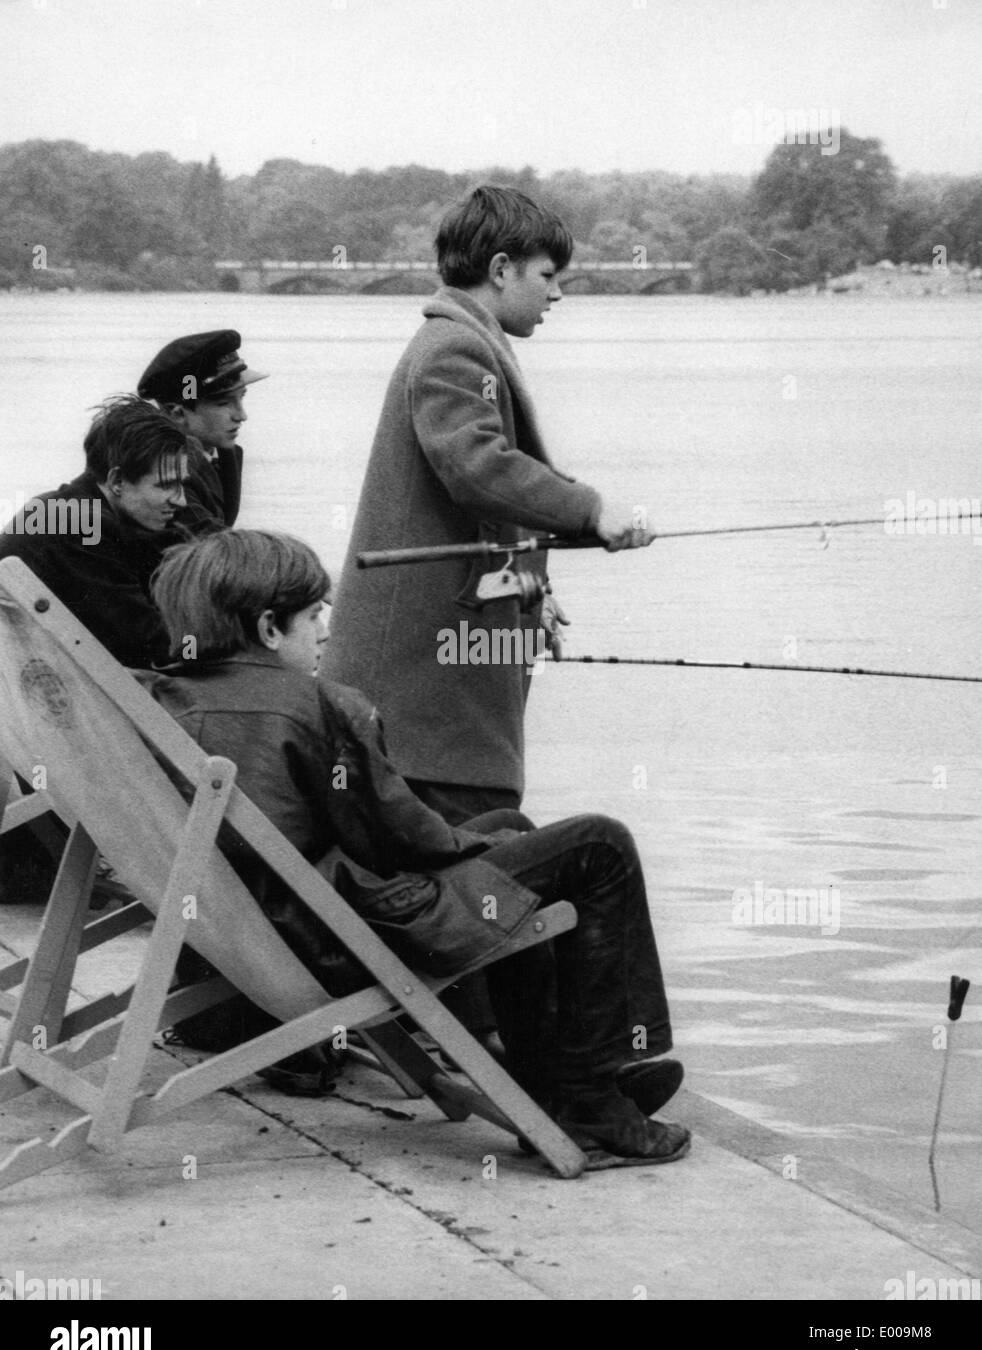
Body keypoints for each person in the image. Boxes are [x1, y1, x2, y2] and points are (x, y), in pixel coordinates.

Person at [146, 529, 690, 1167]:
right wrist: (476, 843)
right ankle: (589, 1095)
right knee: (599, 845)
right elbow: (402, 840)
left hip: (255, 927)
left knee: (514, 828)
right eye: (314, 615)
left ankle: (556, 1080)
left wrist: (494, 840)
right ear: (269, 627)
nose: (326, 631)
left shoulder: (163, 699)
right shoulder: (318, 706)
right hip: (342, 935)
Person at [321, 184, 655, 1040]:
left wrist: (539, 579)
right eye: (549, 274)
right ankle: (547, 1065)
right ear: (500, 267)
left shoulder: (462, 344)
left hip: (444, 676)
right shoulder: (450, 350)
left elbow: (473, 505)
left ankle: (538, 1053)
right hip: (426, 695)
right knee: (478, 868)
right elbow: (476, 467)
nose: (557, 292)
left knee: (478, 867)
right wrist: (589, 509)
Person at [0, 394, 192, 669]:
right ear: (116, 481)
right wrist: (209, 644)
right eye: (166, 486)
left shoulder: (62, 506)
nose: (181, 500)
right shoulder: (81, 527)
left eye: (182, 485)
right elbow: (153, 643)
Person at [137, 329, 267, 532]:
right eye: (224, 403)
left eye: (241, 397)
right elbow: (209, 541)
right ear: (177, 413)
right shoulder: (166, 472)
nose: (241, 415)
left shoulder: (221, 454)